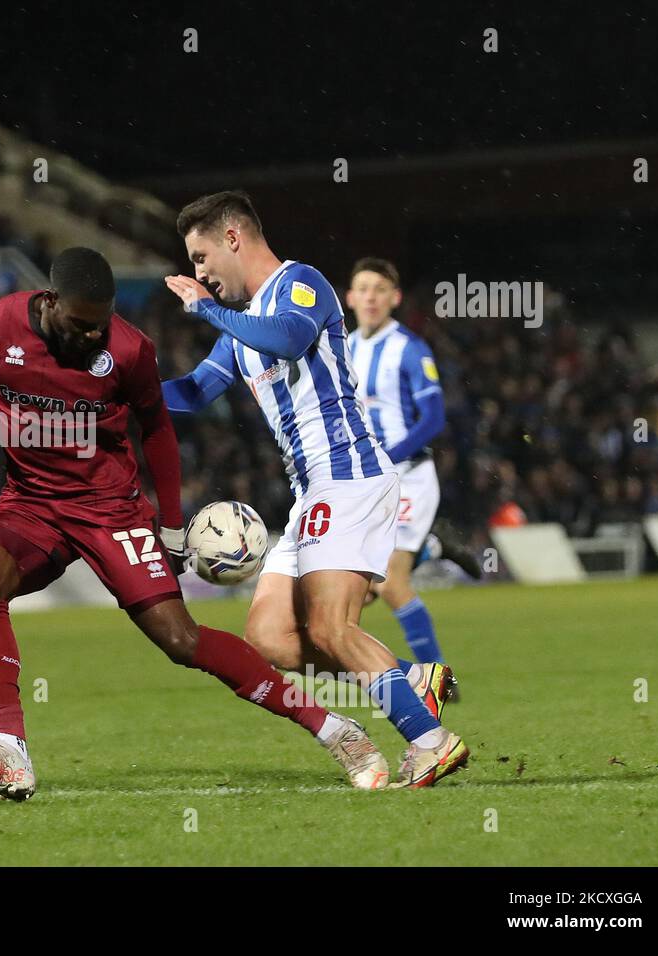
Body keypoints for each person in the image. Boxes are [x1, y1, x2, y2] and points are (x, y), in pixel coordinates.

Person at [0, 246, 390, 801]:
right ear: (49, 302)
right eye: (81, 324)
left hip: (110, 509)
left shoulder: (129, 348)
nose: (94, 337)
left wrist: (168, 526)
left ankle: (336, 730)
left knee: (181, 640)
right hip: (32, 502)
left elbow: (158, 432)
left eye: (101, 325)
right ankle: (9, 751)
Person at [161, 191, 468, 788]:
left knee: (331, 629)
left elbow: (288, 340)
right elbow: (194, 392)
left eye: (201, 257)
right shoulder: (239, 330)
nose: (199, 274)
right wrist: (115, 390)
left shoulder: (302, 285)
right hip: (314, 492)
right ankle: (411, 679)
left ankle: (431, 741)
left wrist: (206, 309)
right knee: (270, 638)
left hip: (349, 476)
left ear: (233, 238)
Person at [345, 258, 482, 681]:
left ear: (395, 298)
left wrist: (390, 453)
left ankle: (439, 678)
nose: (371, 296)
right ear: (350, 298)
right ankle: (433, 549)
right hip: (366, 482)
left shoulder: (410, 349)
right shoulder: (344, 347)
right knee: (358, 591)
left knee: (390, 584)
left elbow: (433, 418)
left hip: (409, 478)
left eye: (380, 289)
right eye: (363, 288)